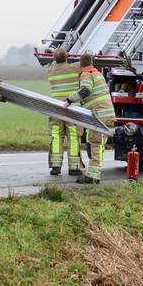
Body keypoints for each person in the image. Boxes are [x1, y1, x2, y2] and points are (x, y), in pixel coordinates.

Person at [64, 51, 113, 185]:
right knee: (96, 144)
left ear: (81, 64)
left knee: (95, 144)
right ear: (92, 62)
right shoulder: (97, 73)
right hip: (104, 114)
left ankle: (92, 177)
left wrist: (69, 100)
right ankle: (93, 175)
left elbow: (86, 90)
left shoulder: (86, 73)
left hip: (99, 115)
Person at [44, 48, 82, 176]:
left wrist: (52, 54)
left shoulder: (51, 70)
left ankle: (56, 166)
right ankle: (74, 167)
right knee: (73, 137)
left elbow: (52, 63)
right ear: (67, 57)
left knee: (56, 137)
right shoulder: (74, 67)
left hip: (56, 109)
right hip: (72, 109)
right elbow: (86, 60)